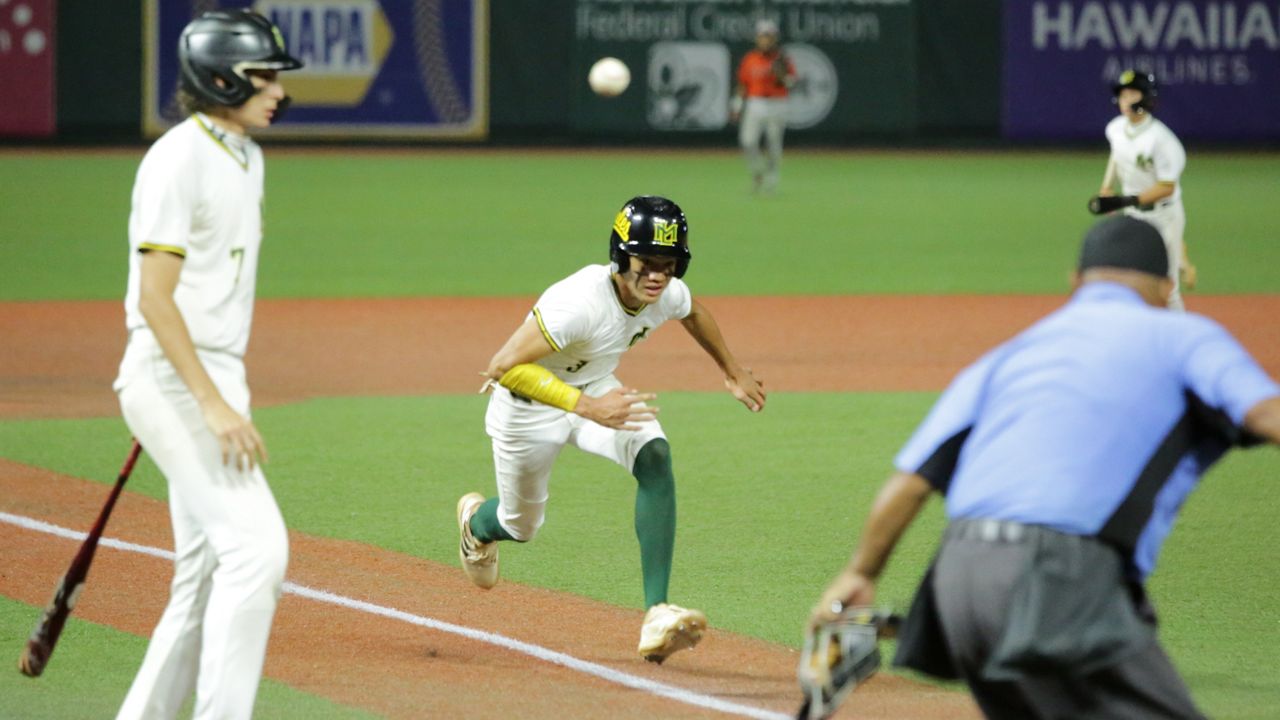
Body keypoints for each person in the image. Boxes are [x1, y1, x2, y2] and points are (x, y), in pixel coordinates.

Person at [807, 216, 1280, 719]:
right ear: (1166, 288)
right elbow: (1264, 413)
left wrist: (859, 573)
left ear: (1075, 280)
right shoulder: (1186, 337)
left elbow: (911, 480)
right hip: (1060, 576)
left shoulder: (1010, 354)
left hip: (957, 576)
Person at [456, 195, 766, 663]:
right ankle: (476, 526)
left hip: (597, 390)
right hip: (527, 407)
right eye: (647, 262)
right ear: (622, 256)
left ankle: (656, 613)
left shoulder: (664, 295)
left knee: (655, 456)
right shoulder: (578, 303)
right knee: (519, 526)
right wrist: (585, 406)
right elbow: (501, 367)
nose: (659, 275)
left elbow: (694, 311)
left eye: (670, 262)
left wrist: (732, 369)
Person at [112, 10, 302, 719]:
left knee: (204, 574)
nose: (277, 89)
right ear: (220, 76)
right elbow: (154, 300)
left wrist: (219, 394)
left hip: (210, 377)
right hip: (176, 375)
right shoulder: (176, 158)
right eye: (263, 76)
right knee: (258, 552)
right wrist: (205, 402)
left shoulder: (245, 154)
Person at [1090, 69, 1197, 311]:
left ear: (1146, 99)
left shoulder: (1162, 141)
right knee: (1132, 280)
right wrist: (1107, 185)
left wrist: (1124, 201)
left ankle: (1179, 256)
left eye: (1132, 94)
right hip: (1135, 215)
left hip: (1164, 215)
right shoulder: (1116, 128)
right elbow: (1117, 154)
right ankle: (1181, 255)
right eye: (1122, 95)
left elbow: (1166, 188)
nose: (1126, 100)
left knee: (1166, 290)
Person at [729, 19, 795, 194]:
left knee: (774, 143)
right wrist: (736, 106)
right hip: (755, 103)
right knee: (748, 141)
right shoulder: (750, 59)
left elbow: (791, 83)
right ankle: (758, 172)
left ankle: (772, 177)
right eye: (762, 36)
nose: (765, 40)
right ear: (757, 38)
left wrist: (782, 77)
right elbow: (742, 84)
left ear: (774, 38)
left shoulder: (782, 58)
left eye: (768, 36)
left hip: (777, 103)